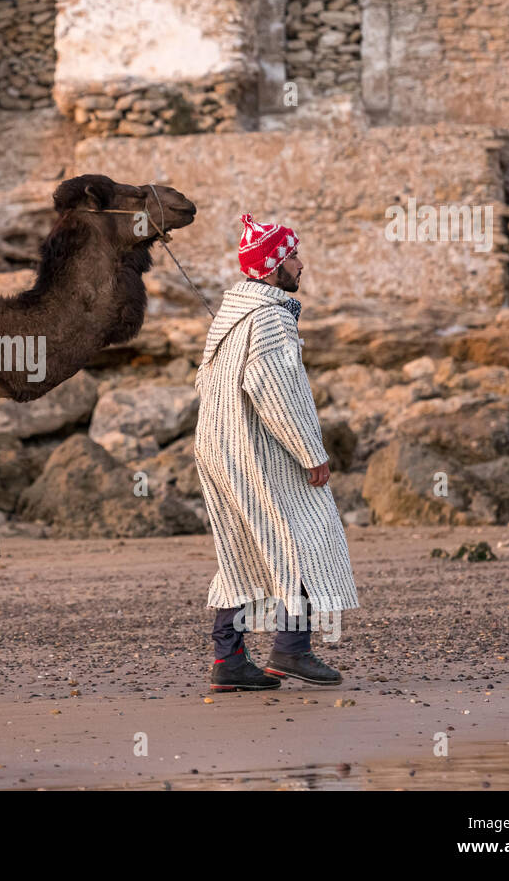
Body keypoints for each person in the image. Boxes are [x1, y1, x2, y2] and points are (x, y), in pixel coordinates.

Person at [193, 214, 359, 692]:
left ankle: (230, 660)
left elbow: (208, 381)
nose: (300, 265)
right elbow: (278, 391)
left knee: (242, 549)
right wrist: (312, 453)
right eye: (291, 257)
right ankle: (291, 649)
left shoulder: (233, 313)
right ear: (270, 267)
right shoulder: (269, 318)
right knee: (303, 538)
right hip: (257, 450)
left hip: (219, 446)